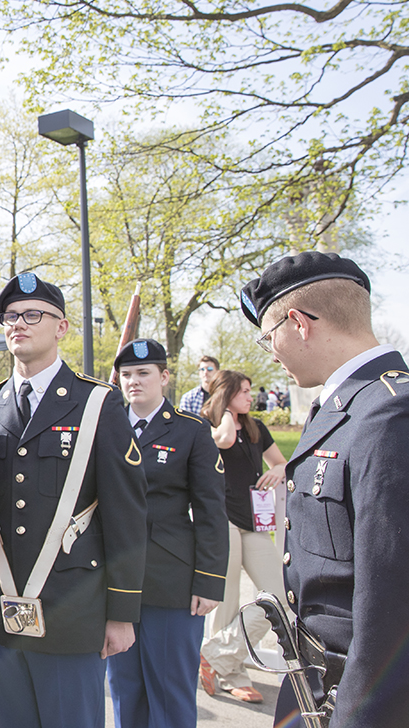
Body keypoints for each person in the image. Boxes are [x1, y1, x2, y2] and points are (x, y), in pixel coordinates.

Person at [241, 251, 409, 726]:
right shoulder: (344, 405)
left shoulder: (389, 414)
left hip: (359, 696)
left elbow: (393, 603)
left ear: (298, 323)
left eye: (268, 336)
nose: (270, 352)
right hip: (313, 683)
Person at [0, 272, 147, 728]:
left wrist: (122, 614)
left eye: (33, 314)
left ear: (61, 327)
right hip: (4, 611)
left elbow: (126, 516)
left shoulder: (98, 403)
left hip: (74, 611)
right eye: (10, 316)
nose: (19, 323)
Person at [106, 339, 228, 728]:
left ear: (165, 377)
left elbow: (211, 510)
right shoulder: (105, 425)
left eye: (143, 373)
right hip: (113, 577)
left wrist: (209, 581)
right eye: (126, 375)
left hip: (171, 579)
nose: (134, 382)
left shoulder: (191, 431)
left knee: (170, 690)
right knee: (125, 688)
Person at [198, 369, 287, 704]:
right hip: (221, 519)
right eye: (244, 391)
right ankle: (231, 674)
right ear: (226, 393)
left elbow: (279, 462)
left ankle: (215, 655)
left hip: (255, 520)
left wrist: (277, 469)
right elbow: (223, 441)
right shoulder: (207, 425)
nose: (252, 397)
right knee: (227, 598)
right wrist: (223, 414)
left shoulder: (256, 427)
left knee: (280, 595)